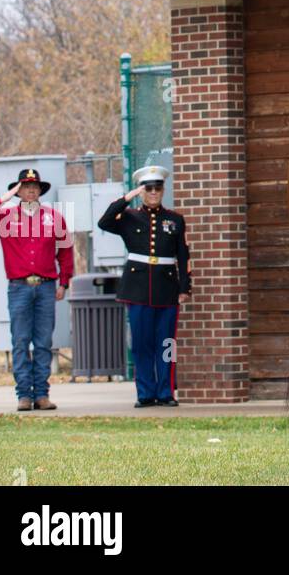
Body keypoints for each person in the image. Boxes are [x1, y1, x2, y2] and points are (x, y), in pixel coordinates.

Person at [0, 167, 73, 411]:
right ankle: (23, 395)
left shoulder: (53, 218)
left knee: (43, 342)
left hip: (46, 287)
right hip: (19, 287)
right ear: (18, 191)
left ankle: (41, 394)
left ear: (40, 191)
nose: (30, 191)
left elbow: (66, 252)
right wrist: (3, 199)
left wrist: (64, 282)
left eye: (34, 187)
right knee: (20, 341)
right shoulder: (6, 217)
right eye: (25, 187)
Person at [97, 165, 191, 407]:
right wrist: (127, 197)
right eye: (148, 188)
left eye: (157, 188)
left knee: (167, 345)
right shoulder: (129, 217)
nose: (153, 193)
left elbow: (183, 255)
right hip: (137, 289)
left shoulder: (175, 220)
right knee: (141, 345)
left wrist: (184, 288)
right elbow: (104, 221)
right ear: (141, 191)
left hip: (167, 289)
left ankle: (166, 392)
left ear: (163, 190)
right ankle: (145, 393)